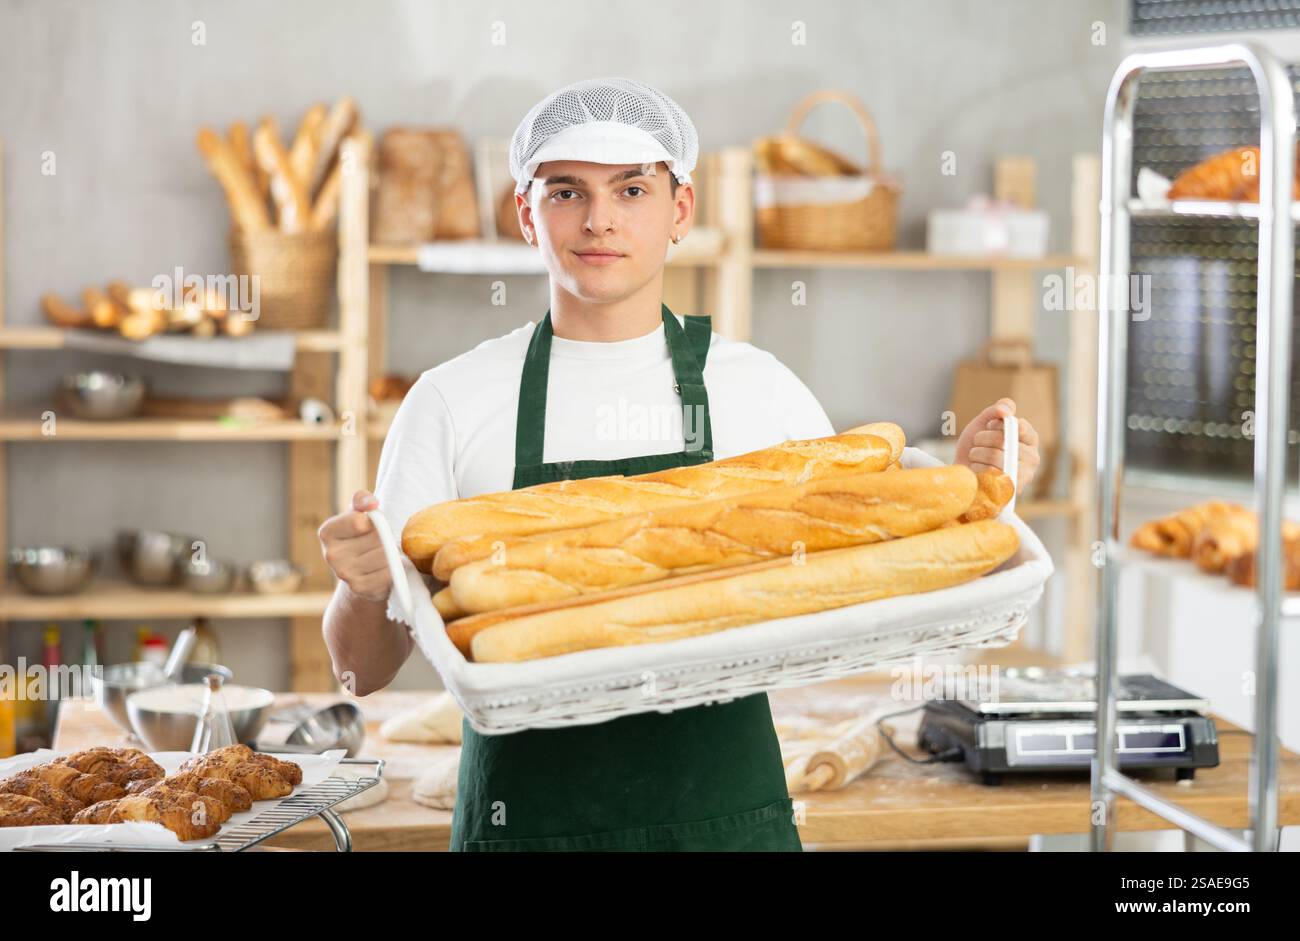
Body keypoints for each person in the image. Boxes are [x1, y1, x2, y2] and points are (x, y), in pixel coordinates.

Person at [319, 77, 1041, 851]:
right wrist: (364, 590)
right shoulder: (452, 399)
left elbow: (872, 569)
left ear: (681, 212)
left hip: (725, 823)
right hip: (526, 828)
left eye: (632, 188)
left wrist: (968, 493)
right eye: (567, 191)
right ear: (527, 215)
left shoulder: (759, 389)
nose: (599, 219)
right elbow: (364, 673)